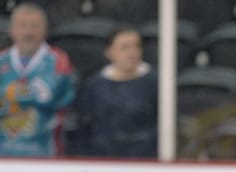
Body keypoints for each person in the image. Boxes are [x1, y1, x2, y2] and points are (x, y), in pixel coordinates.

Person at [0, 3, 76, 158]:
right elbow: (36, 94)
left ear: (45, 31)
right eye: (22, 26)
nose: (28, 32)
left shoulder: (58, 61)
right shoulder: (2, 60)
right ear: (12, 30)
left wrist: (8, 93)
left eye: (34, 26)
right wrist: (28, 93)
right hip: (4, 151)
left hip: (44, 151)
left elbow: (46, 95)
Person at [71, 27, 157, 159]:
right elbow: (84, 126)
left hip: (146, 157)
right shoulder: (94, 85)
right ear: (109, 52)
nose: (131, 53)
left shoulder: (156, 82)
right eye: (124, 47)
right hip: (103, 157)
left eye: (136, 46)